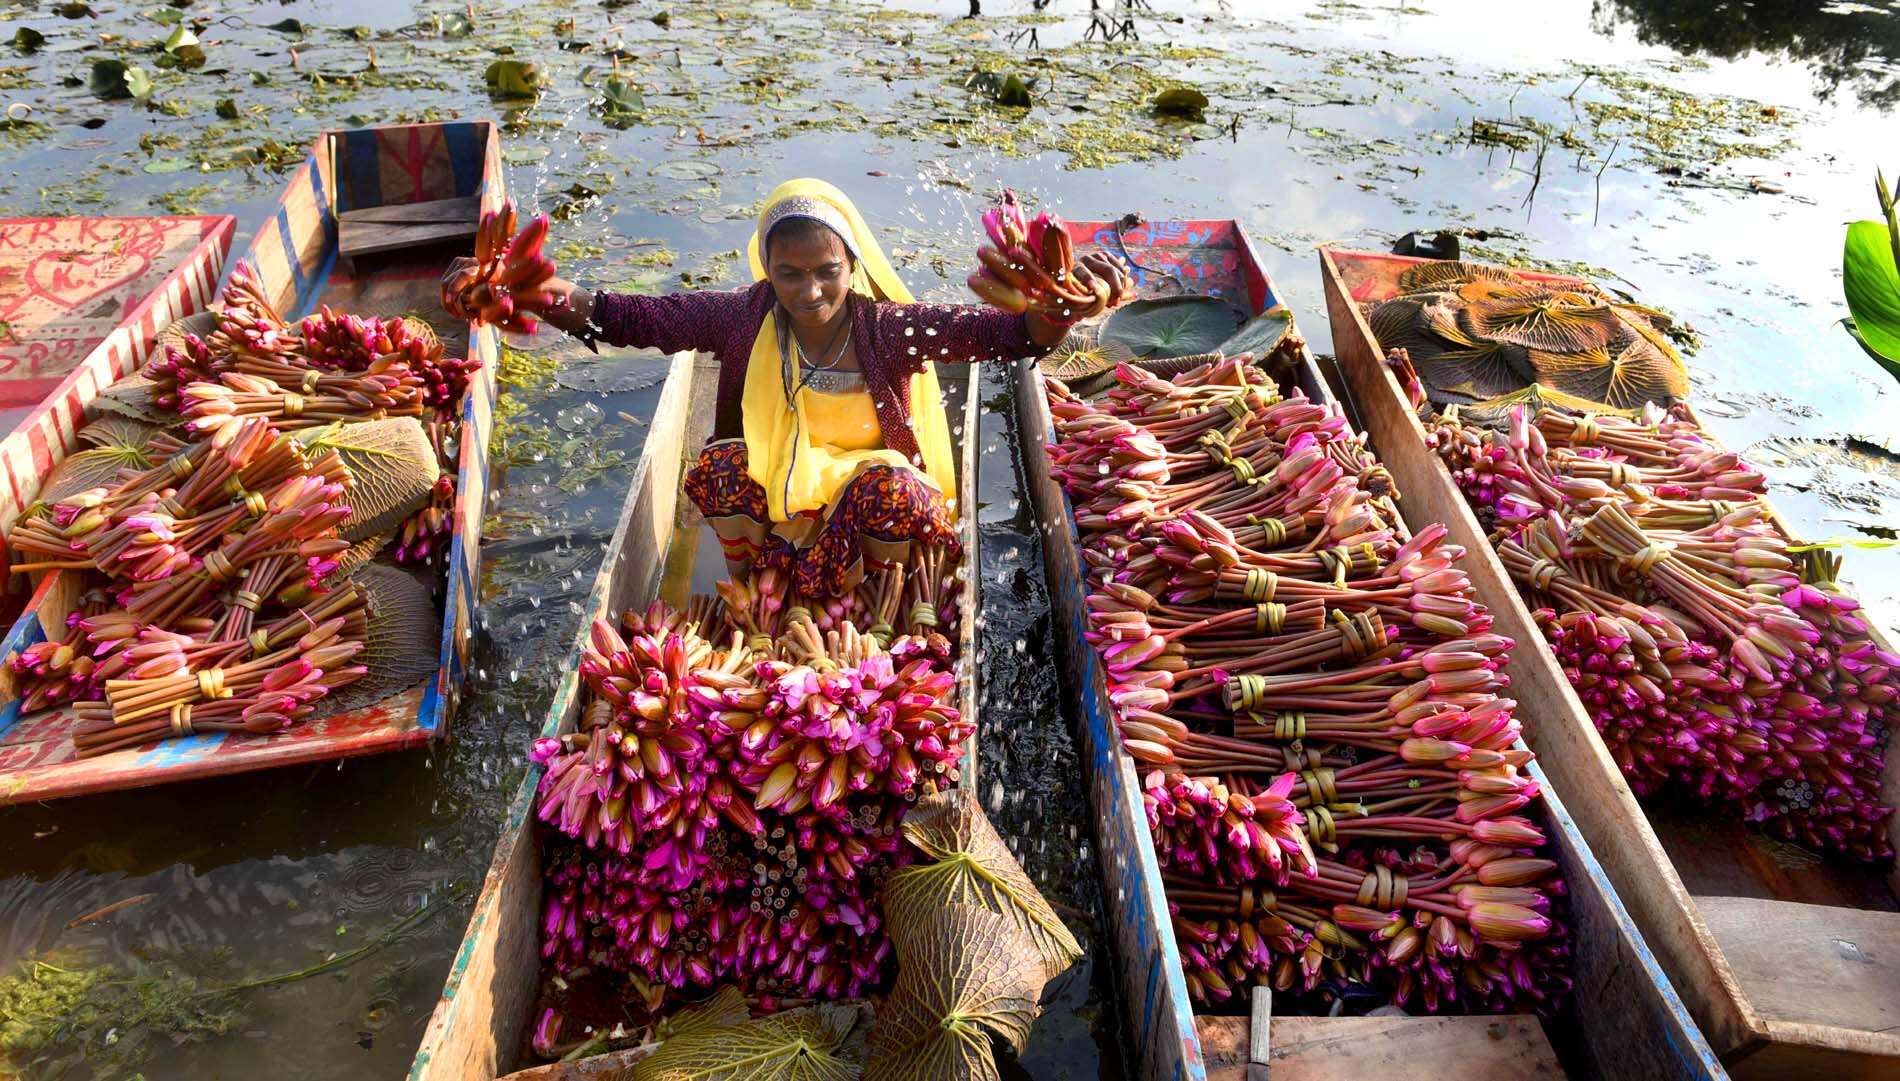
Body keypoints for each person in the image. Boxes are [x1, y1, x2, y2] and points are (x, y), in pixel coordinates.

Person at [444, 178, 1133, 598]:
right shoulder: (741, 317)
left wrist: (1060, 307)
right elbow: (626, 315)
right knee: (718, 467)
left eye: (826, 270)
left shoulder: (891, 329)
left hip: (866, 504)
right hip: (780, 504)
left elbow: (1005, 337)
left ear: (851, 263)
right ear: (766, 267)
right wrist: (520, 288)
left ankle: (882, 600)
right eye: (790, 272)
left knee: (893, 490)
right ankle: (762, 593)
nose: (810, 291)